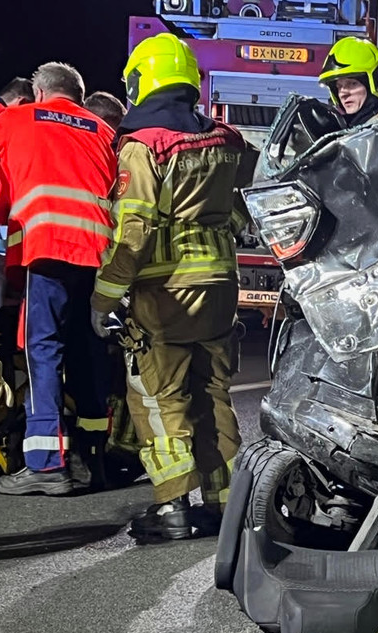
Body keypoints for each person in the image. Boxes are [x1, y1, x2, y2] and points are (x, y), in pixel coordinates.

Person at [92, 32, 257, 540]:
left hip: (162, 293)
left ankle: (173, 508)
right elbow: (245, 207)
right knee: (213, 392)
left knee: (158, 396)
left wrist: (104, 297)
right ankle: (226, 503)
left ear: (145, 80)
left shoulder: (143, 147)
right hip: (220, 287)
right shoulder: (228, 141)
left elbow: (134, 230)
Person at [0, 61, 117, 496]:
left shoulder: (16, 118)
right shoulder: (102, 129)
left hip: (48, 244)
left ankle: (44, 462)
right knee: (87, 352)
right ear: (77, 94)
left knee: (43, 349)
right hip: (98, 253)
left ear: (39, 92)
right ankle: (94, 455)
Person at [319, 36, 378, 127]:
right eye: (338, 87)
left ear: (377, 83)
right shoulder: (361, 125)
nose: (343, 94)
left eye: (352, 84)